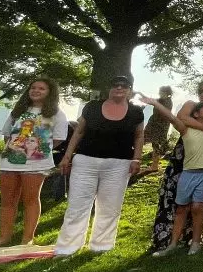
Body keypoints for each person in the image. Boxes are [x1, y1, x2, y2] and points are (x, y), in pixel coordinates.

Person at [56, 76, 145, 255]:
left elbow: (139, 136)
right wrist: (67, 157)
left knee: (110, 207)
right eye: (115, 85)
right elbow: (79, 131)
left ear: (129, 90)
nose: (119, 88)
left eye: (124, 86)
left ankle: (101, 245)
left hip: (119, 165)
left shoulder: (136, 112)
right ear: (109, 89)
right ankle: (67, 248)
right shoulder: (92, 107)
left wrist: (136, 159)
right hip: (85, 161)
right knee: (77, 206)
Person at [149, 80, 203, 252]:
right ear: (197, 113)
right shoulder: (186, 129)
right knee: (181, 207)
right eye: (201, 91)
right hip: (186, 171)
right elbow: (172, 117)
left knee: (198, 207)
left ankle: (196, 243)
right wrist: (155, 103)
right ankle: (173, 243)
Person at [0, 77, 69, 246]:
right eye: (33, 88)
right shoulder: (18, 111)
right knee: (7, 201)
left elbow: (58, 139)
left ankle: (27, 238)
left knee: (31, 199)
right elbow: (7, 134)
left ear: (50, 92)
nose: (36, 90)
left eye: (41, 88)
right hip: (9, 161)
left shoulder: (56, 113)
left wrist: (36, 151)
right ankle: (4, 237)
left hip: (36, 164)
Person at [143, 85, 173, 172]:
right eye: (160, 92)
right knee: (150, 142)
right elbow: (149, 101)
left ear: (167, 93)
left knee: (156, 145)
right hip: (156, 124)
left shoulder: (166, 102)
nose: (160, 93)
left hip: (159, 125)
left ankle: (154, 166)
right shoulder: (163, 100)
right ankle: (153, 165)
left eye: (161, 92)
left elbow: (152, 103)